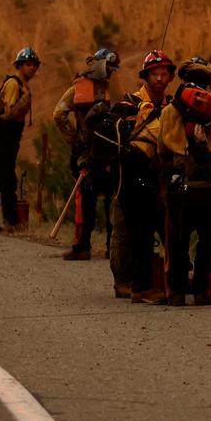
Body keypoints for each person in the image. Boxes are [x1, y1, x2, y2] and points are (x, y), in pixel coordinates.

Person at [140, 57, 211, 306]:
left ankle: (175, 293)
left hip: (178, 184)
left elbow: (162, 148)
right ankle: (203, 292)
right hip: (210, 184)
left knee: (176, 239)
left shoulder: (170, 110)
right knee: (209, 240)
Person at [118, 50, 176, 304]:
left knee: (165, 227)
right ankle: (140, 288)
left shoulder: (170, 105)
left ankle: (169, 281)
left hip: (159, 175)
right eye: (155, 74)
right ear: (146, 76)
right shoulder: (130, 104)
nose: (160, 79)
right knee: (139, 232)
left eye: (165, 74)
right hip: (133, 173)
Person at [53, 48, 121, 261]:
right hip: (109, 151)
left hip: (89, 151)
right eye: (109, 67)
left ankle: (83, 246)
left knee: (88, 197)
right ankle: (110, 247)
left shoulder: (78, 88)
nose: (111, 72)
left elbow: (59, 114)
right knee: (111, 197)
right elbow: (58, 114)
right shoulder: (112, 89)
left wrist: (73, 138)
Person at [0, 47, 38, 232]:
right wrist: (25, 100)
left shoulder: (23, 84)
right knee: (7, 179)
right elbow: (9, 112)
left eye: (34, 65)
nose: (32, 68)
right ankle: (11, 221)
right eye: (28, 64)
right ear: (19, 66)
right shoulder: (14, 84)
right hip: (4, 134)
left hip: (10, 135)